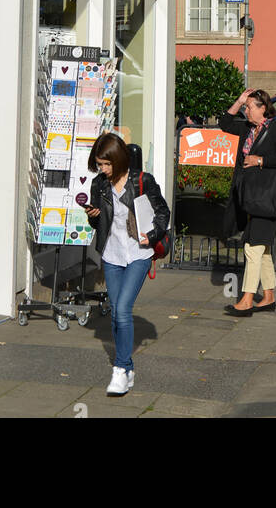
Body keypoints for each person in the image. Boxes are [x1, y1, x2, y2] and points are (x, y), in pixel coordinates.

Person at [82, 132, 170, 395]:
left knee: (121, 310)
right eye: (99, 164)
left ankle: (119, 370)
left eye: (107, 164)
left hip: (139, 253)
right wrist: (93, 216)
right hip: (112, 254)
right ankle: (127, 367)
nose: (103, 169)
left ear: (119, 160)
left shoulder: (142, 181)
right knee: (116, 318)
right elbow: (99, 224)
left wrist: (152, 234)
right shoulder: (99, 185)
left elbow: (163, 212)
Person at [219, 88, 276, 316]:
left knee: (252, 247)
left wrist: (260, 160)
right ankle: (268, 297)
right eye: (246, 106)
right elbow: (224, 123)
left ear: (263, 108)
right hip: (251, 197)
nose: (246, 110)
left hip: (269, 196)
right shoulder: (246, 128)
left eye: (250, 106)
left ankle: (247, 299)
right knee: (262, 249)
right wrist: (239, 99)